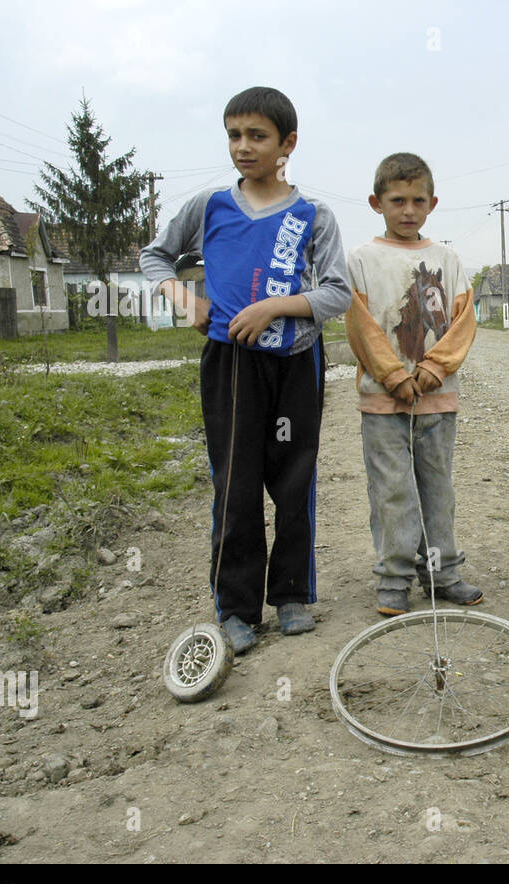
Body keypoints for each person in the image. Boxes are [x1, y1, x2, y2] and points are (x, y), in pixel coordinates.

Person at [141, 86, 351, 653]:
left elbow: (337, 294)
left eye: (256, 136)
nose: (243, 146)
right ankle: (236, 609)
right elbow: (153, 255)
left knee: (293, 479)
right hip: (230, 363)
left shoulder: (314, 216)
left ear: (288, 144)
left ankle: (289, 596)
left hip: (295, 361)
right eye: (234, 135)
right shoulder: (209, 206)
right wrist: (184, 299)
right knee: (234, 482)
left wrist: (274, 306)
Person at [344, 153, 479, 616]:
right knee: (392, 490)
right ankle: (394, 577)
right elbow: (362, 326)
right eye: (397, 200)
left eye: (417, 201)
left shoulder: (447, 259)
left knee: (437, 487)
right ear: (376, 202)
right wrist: (394, 374)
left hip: (437, 400)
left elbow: (462, 322)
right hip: (383, 402)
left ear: (432, 203)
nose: (408, 210)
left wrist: (434, 367)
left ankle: (441, 574)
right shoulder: (361, 260)